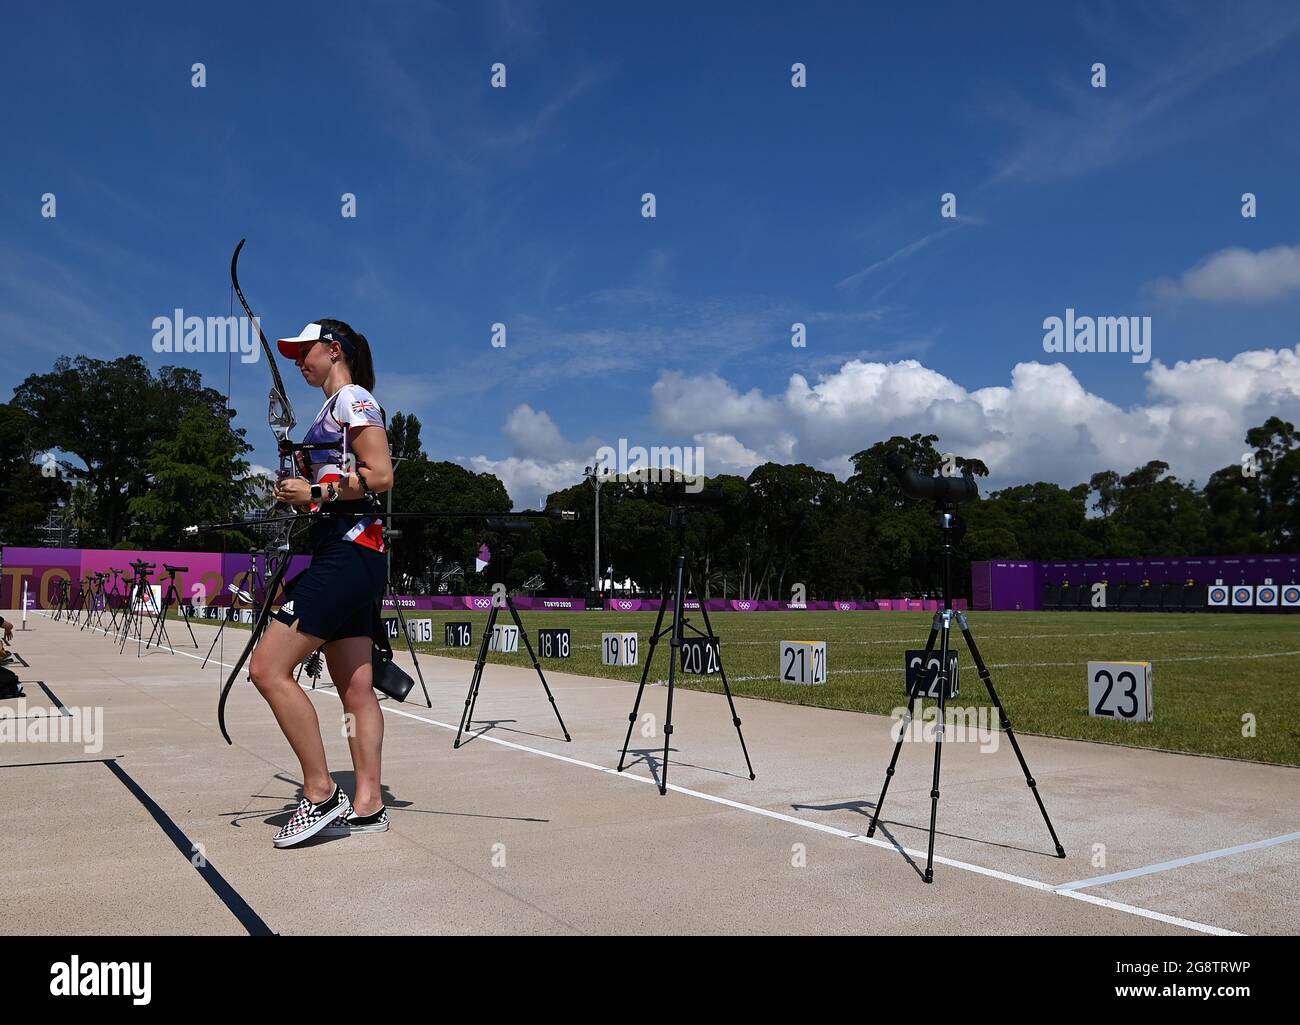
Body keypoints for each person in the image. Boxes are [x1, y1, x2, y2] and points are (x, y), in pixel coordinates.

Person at [247, 319, 395, 848]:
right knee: (355, 688)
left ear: (333, 350)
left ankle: (320, 792)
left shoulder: (353, 398)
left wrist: (313, 490)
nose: (297, 361)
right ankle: (370, 803)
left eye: (304, 351)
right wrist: (306, 492)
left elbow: (379, 476)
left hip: (350, 552)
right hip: (354, 553)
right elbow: (338, 485)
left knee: (267, 668)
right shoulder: (333, 408)